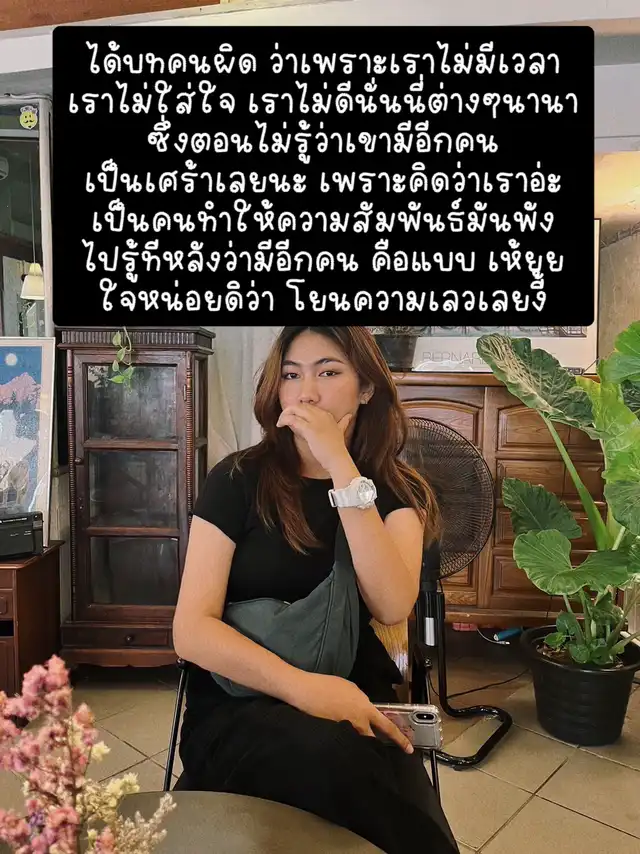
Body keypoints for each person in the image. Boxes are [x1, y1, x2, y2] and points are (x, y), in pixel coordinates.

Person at [173, 326, 459, 854]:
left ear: (366, 387)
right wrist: (304, 689)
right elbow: (190, 629)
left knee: (375, 785)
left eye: (328, 372)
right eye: (291, 375)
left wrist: (341, 467)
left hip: (356, 698)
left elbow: (391, 604)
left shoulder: (397, 494)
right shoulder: (236, 480)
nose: (306, 392)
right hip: (240, 704)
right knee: (330, 762)